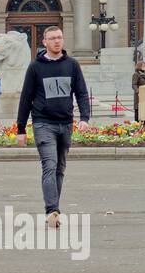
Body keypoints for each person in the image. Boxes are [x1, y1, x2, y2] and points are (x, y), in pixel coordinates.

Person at [16, 26, 92, 230]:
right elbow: (26, 99)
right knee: (49, 165)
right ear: (44, 42)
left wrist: (84, 118)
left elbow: (82, 93)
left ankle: (53, 210)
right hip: (43, 123)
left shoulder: (72, 65)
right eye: (53, 38)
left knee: (60, 168)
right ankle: (52, 210)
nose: (57, 41)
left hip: (65, 123)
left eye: (59, 37)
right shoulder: (35, 67)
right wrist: (21, 129)